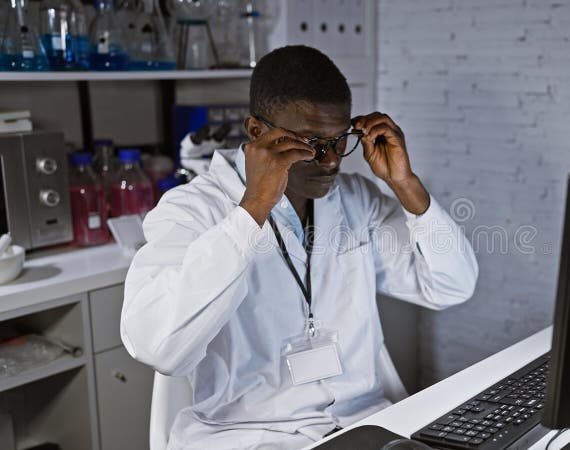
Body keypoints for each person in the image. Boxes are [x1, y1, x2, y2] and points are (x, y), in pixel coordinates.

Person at [121, 45, 478, 449]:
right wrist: (252, 209)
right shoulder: (193, 210)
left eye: (339, 140)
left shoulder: (355, 199)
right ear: (256, 132)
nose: (329, 162)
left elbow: (452, 285)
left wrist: (405, 185)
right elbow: (158, 346)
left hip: (361, 425)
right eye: (310, 143)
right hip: (250, 437)